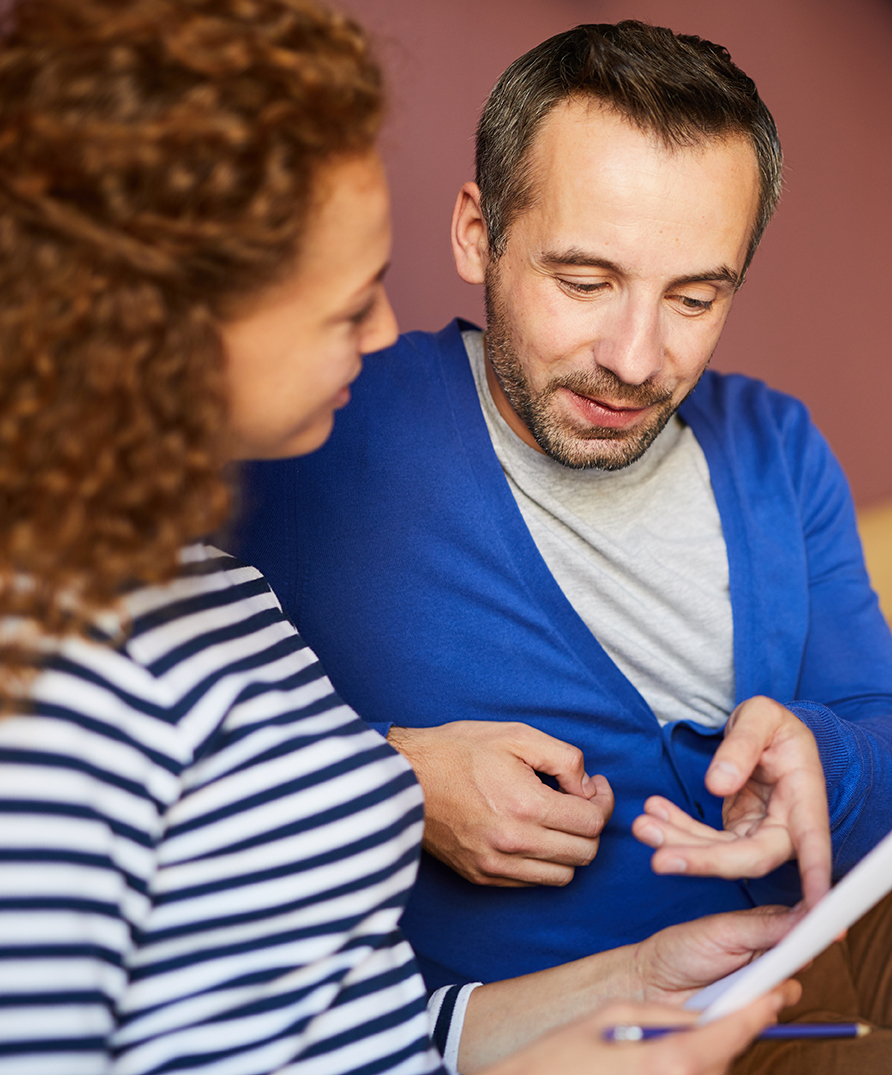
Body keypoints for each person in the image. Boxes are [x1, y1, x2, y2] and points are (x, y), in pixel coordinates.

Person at [234, 20, 892, 1075]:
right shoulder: (312, 423)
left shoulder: (773, 446)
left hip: (831, 924)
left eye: (695, 298)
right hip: (596, 1020)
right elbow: (99, 737)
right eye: (584, 281)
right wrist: (397, 774)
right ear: (478, 232)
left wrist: (821, 762)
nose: (635, 358)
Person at [0, 2, 799, 1073]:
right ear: (166, 330)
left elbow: (343, 1027)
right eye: (347, 305)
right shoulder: (46, 684)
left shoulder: (213, 593)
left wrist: (626, 981)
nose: (386, 330)